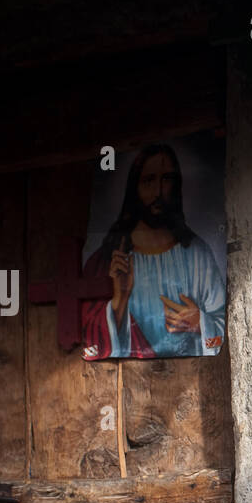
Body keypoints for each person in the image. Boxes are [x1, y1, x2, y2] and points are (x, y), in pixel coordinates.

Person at [81, 143, 226, 359]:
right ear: (134, 188)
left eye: (167, 179)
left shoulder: (198, 254)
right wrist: (119, 300)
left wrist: (200, 322)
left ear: (177, 186)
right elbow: (90, 335)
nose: (158, 192)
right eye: (148, 181)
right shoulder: (108, 260)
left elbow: (221, 323)